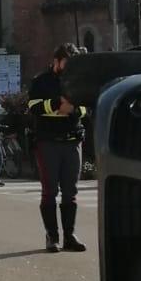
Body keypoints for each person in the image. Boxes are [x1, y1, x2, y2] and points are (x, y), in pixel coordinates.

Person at [28, 44, 88, 252]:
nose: (69, 67)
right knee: (50, 191)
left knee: (70, 191)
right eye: (66, 63)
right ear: (56, 61)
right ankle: (52, 236)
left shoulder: (77, 80)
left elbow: (85, 107)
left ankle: (69, 236)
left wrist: (72, 109)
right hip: (48, 142)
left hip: (72, 141)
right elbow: (33, 106)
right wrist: (55, 104)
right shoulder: (40, 81)